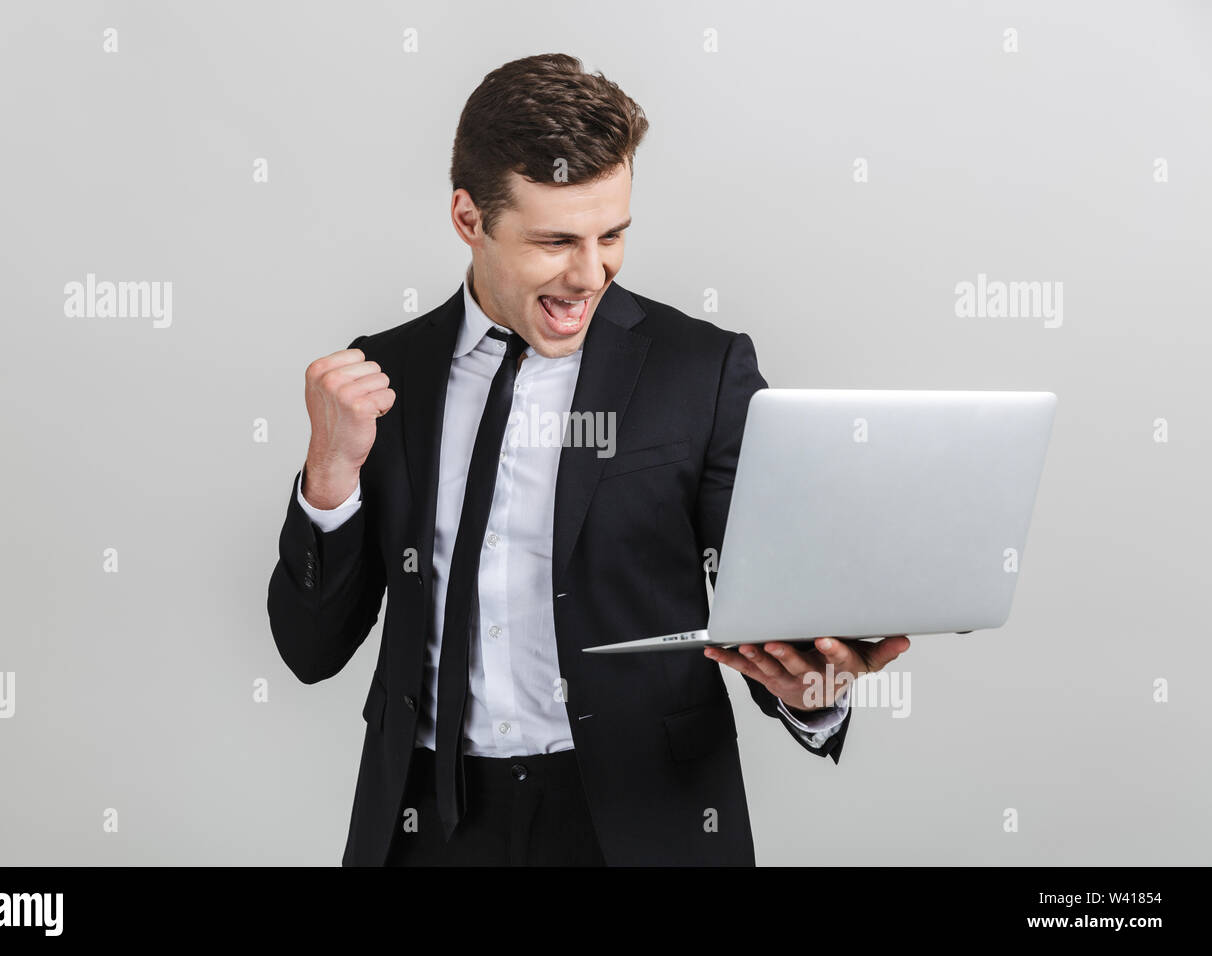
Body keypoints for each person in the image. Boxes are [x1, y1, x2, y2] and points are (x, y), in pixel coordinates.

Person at [267, 52, 910, 866]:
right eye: (555, 241)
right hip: (427, 823)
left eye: (612, 235)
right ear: (469, 219)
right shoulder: (386, 377)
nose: (590, 272)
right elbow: (310, 650)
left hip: (638, 823)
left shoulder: (700, 371)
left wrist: (814, 690)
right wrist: (328, 475)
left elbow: (774, 606)